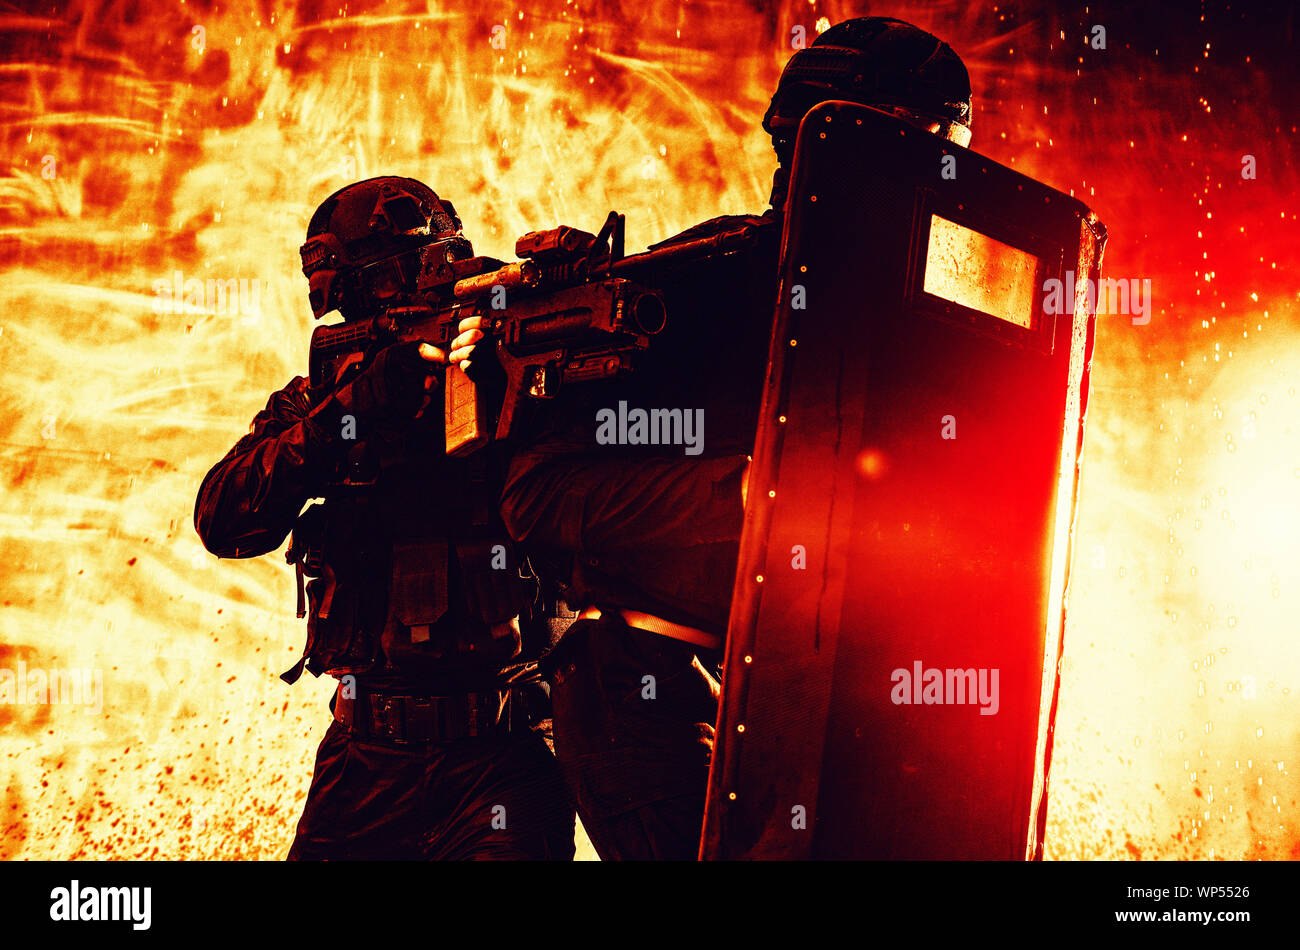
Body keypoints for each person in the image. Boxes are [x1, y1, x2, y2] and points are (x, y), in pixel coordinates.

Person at [448, 16, 975, 860]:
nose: (934, 178)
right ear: (819, 140)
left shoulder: (917, 327)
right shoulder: (701, 284)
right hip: (648, 686)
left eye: (947, 150)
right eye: (908, 145)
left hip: (802, 696)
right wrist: (746, 489)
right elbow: (534, 493)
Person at [195, 176, 574, 860]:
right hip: (363, 762)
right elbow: (224, 519)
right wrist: (350, 414)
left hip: (500, 756)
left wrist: (511, 387)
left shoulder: (520, 362)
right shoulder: (327, 397)